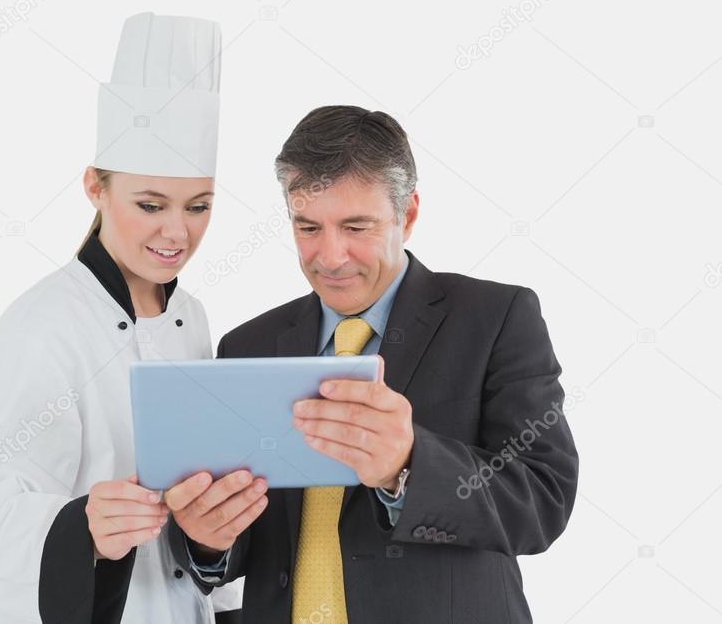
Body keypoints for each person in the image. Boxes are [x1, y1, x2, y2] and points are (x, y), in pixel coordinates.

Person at [164, 105, 579, 623]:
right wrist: (208, 541)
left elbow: (543, 499)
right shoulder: (249, 345)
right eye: (308, 226)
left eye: (356, 226)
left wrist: (407, 465)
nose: (330, 256)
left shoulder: (495, 318)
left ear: (407, 215)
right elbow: (246, 542)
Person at [0, 12, 242, 624]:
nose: (177, 232)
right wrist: (84, 525)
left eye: (199, 206)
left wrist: (213, 540)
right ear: (94, 188)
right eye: (150, 204)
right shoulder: (41, 326)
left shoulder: (195, 318)